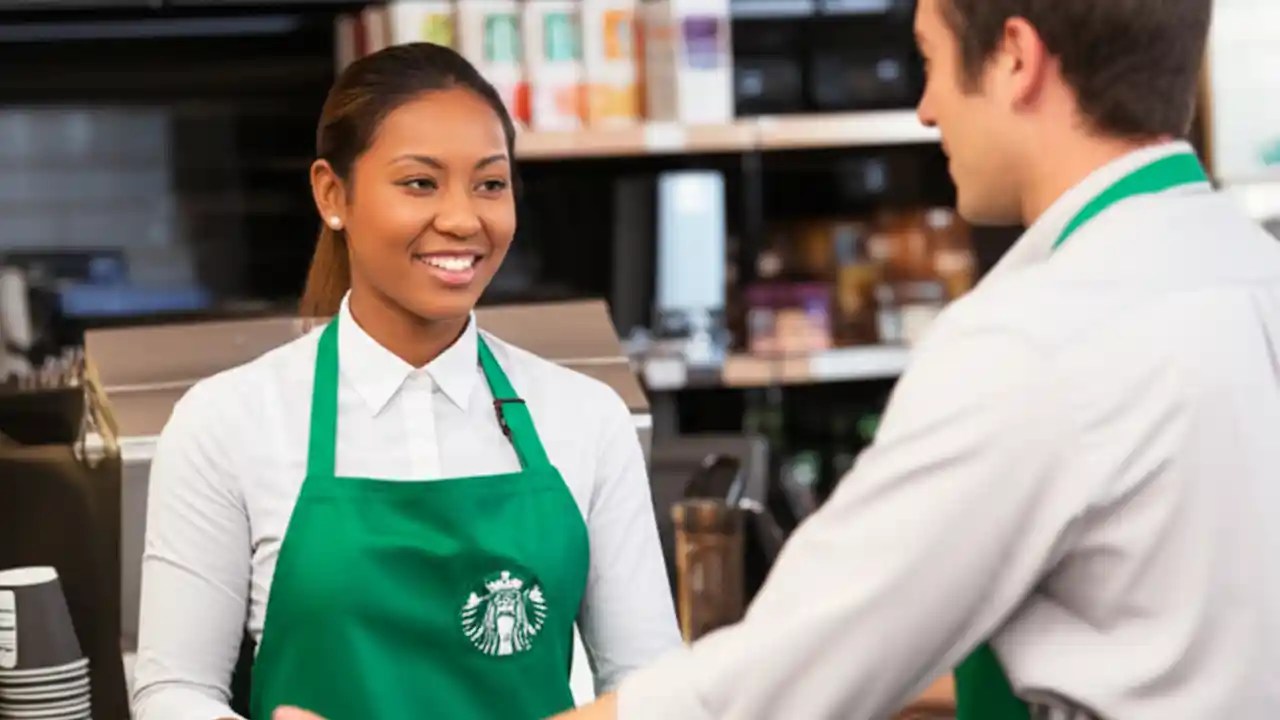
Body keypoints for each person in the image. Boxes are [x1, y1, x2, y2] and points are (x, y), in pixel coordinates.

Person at [281, 0, 1280, 718]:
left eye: (929, 59)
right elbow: (1138, 634)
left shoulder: (1031, 341)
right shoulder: (1251, 271)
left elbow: (788, 675)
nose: (926, 107)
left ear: (1015, 58)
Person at [131, 42, 681, 720]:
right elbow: (172, 691)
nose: (462, 219)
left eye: (490, 184)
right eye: (420, 183)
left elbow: (653, 688)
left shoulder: (587, 417)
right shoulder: (227, 421)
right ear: (332, 194)